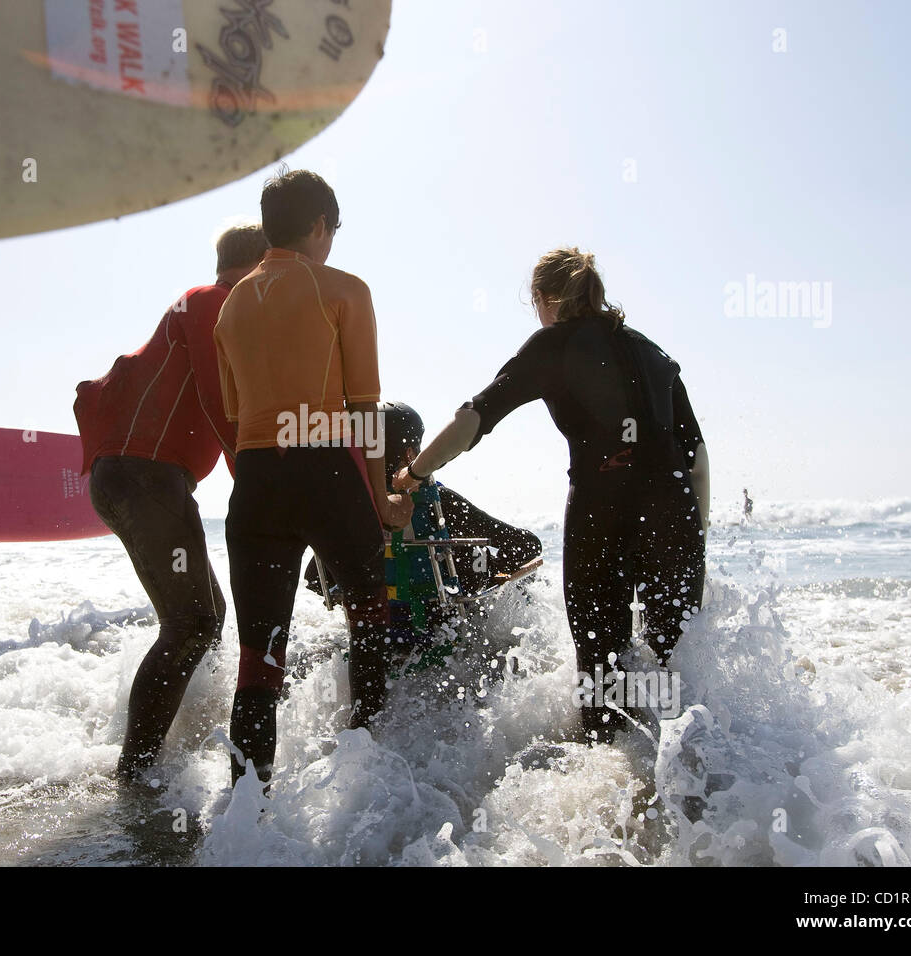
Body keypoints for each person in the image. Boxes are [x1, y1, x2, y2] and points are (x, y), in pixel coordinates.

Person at [395, 248, 709, 743]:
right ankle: (701, 790)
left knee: (601, 671)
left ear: (542, 298)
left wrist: (415, 472)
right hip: (676, 516)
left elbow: (476, 417)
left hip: (602, 510)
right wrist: (696, 538)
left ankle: (611, 797)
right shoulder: (651, 351)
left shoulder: (552, 345)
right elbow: (696, 457)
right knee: (672, 666)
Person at [213, 169, 412, 785]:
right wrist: (380, 498)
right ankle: (366, 778)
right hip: (323, 472)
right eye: (332, 231)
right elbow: (365, 409)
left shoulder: (231, 306)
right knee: (370, 619)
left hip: (254, 488)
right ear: (320, 226)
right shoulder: (344, 289)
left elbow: (235, 410)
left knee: (258, 657)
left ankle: (247, 812)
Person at [74, 224, 269, 781]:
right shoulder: (214, 303)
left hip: (145, 479)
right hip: (143, 477)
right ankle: (135, 773)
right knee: (190, 623)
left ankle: (173, 748)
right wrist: (251, 477)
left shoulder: (207, 303)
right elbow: (218, 395)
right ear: (257, 263)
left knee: (206, 619)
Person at [305, 401, 543, 651]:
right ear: (410, 454)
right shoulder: (438, 503)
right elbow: (527, 546)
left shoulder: (353, 509)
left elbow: (314, 579)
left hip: (381, 634)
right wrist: (487, 574)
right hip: (442, 632)